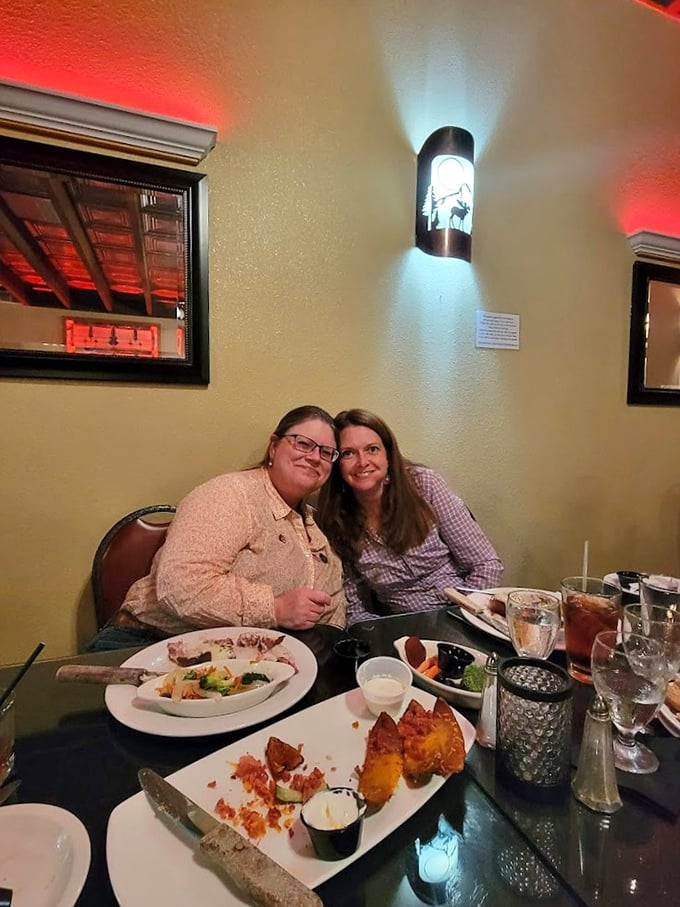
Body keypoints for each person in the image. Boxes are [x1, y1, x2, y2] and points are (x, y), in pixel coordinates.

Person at [87, 405, 346, 650]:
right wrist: (275, 609)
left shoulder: (313, 527)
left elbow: (333, 604)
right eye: (303, 443)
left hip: (249, 657)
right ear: (274, 446)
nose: (314, 457)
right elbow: (182, 585)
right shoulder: (231, 494)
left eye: (326, 452)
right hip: (151, 641)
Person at [317, 409, 502, 625]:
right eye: (348, 453)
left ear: (388, 454)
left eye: (372, 449)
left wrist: (465, 617)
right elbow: (353, 604)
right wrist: (380, 635)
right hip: (403, 627)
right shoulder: (335, 517)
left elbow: (486, 564)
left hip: (462, 612)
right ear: (337, 464)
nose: (362, 461)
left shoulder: (424, 485)